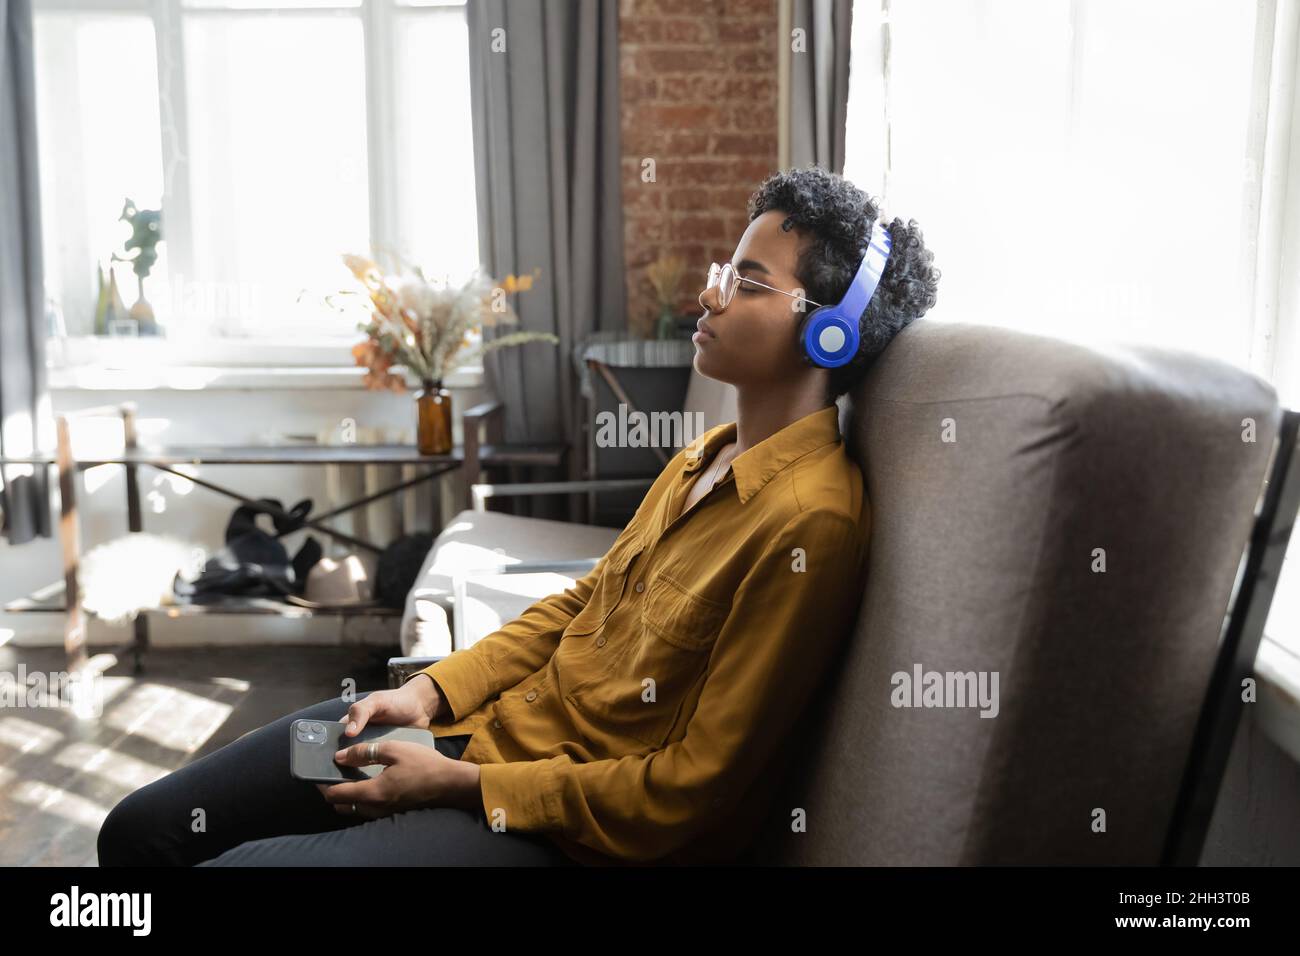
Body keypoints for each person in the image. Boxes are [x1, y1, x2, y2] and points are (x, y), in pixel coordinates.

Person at [96, 165, 940, 867]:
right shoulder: (701, 456)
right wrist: (429, 692)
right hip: (472, 732)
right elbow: (580, 605)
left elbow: (688, 789)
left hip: (546, 826)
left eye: (749, 282)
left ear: (829, 331)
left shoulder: (811, 524)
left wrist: (456, 785)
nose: (711, 296)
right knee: (141, 834)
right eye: (727, 269)